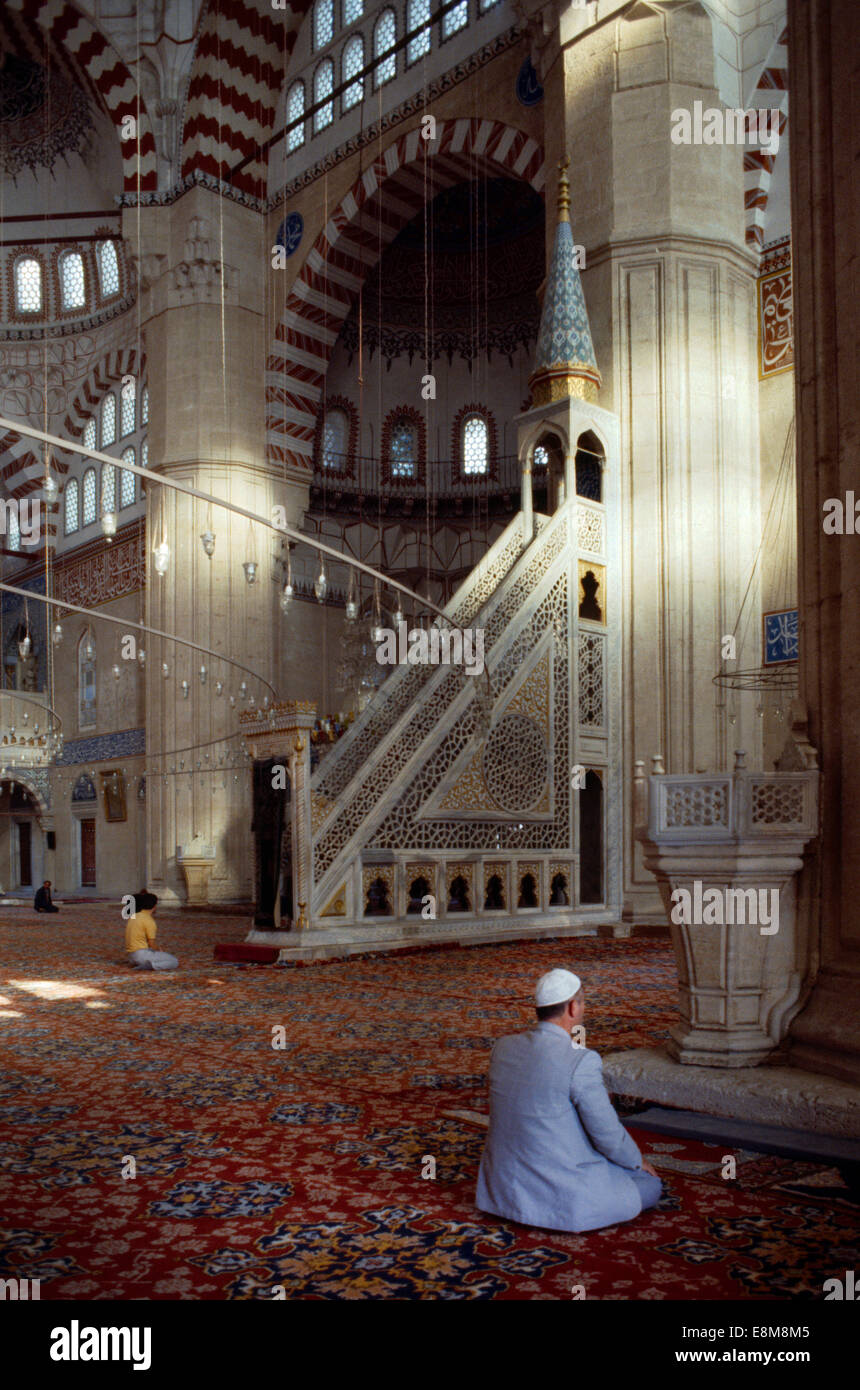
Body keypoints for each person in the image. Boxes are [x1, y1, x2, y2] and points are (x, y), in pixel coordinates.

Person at [476, 967, 662, 1232]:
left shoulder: (503, 1047)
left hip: (504, 1192)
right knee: (649, 1185)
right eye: (583, 1002)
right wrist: (636, 1161)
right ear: (573, 1008)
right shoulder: (581, 1060)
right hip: (563, 1197)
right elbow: (606, 1134)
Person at [125, 891, 178, 971]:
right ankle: (150, 966)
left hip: (131, 955)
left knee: (153, 952)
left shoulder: (134, 916)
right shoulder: (149, 920)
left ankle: (137, 962)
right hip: (141, 955)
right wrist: (159, 949)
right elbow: (151, 943)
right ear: (154, 906)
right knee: (173, 961)